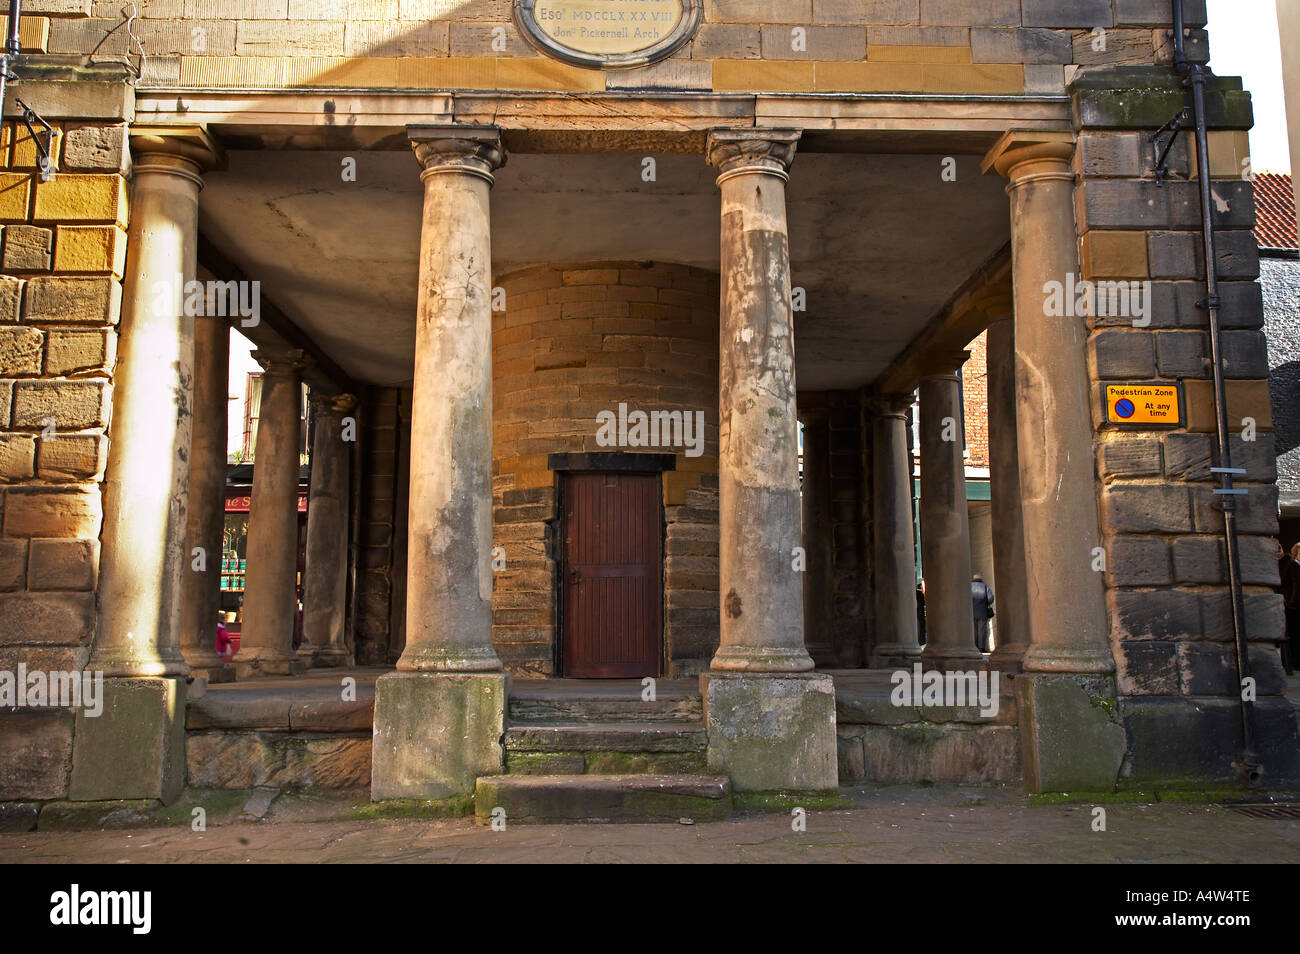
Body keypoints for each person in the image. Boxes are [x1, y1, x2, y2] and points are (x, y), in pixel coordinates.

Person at [1282, 542, 1300, 675]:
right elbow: (1295, 587)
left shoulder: (1293, 565)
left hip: (1293, 605)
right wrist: (1291, 603)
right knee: (1292, 635)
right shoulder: (1293, 565)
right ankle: (1293, 663)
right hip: (1292, 606)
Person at [971, 573, 994, 653]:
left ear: (973, 579)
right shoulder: (985, 586)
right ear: (981, 579)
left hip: (971, 612)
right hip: (982, 612)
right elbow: (990, 598)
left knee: (973, 630)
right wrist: (985, 604)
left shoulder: (969, 587)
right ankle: (981, 648)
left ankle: (974, 647)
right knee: (982, 630)